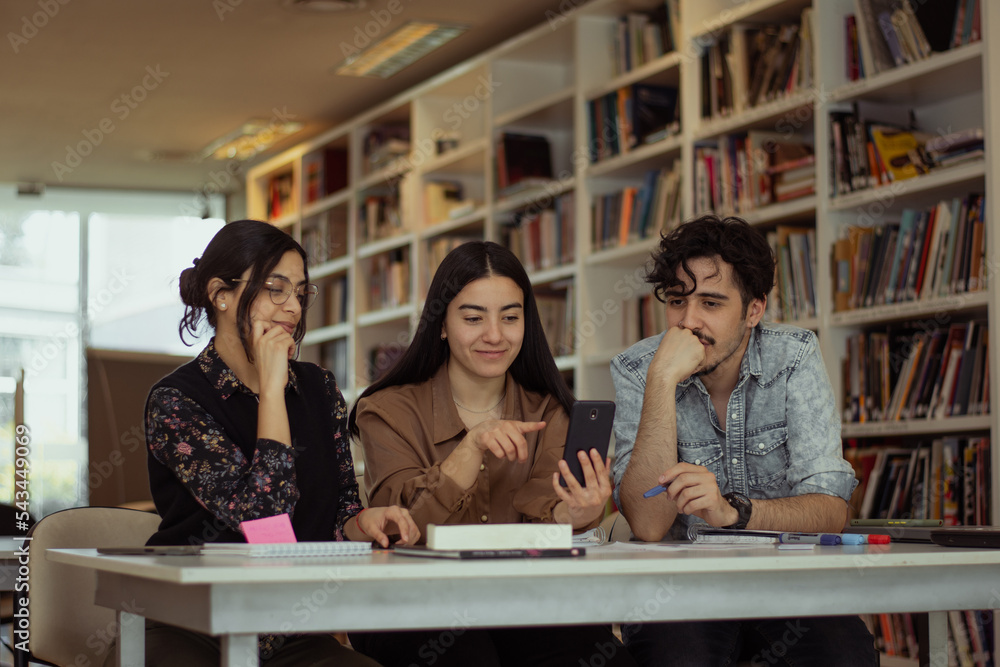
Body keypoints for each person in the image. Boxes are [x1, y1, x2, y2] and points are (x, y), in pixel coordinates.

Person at [132, 219, 418, 667]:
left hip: (287, 630)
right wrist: (271, 389)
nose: (293, 308)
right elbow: (264, 520)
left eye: (301, 293)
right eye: (276, 289)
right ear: (220, 294)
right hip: (194, 623)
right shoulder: (176, 401)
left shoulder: (320, 388)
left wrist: (365, 522)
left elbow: (339, 510)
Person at [347, 240, 637, 667]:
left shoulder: (550, 410)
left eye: (510, 317)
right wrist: (469, 450)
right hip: (411, 601)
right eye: (473, 318)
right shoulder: (387, 410)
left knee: (604, 656)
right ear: (441, 324)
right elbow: (400, 526)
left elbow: (547, 513)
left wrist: (577, 514)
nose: (495, 335)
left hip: (521, 600)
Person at [611, 215, 877, 666]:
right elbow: (649, 525)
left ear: (754, 310)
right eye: (677, 301)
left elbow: (831, 511)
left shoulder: (794, 356)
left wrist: (734, 512)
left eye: (711, 303)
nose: (688, 322)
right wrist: (662, 379)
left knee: (843, 655)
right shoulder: (639, 369)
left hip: (787, 585)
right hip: (680, 594)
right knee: (677, 657)